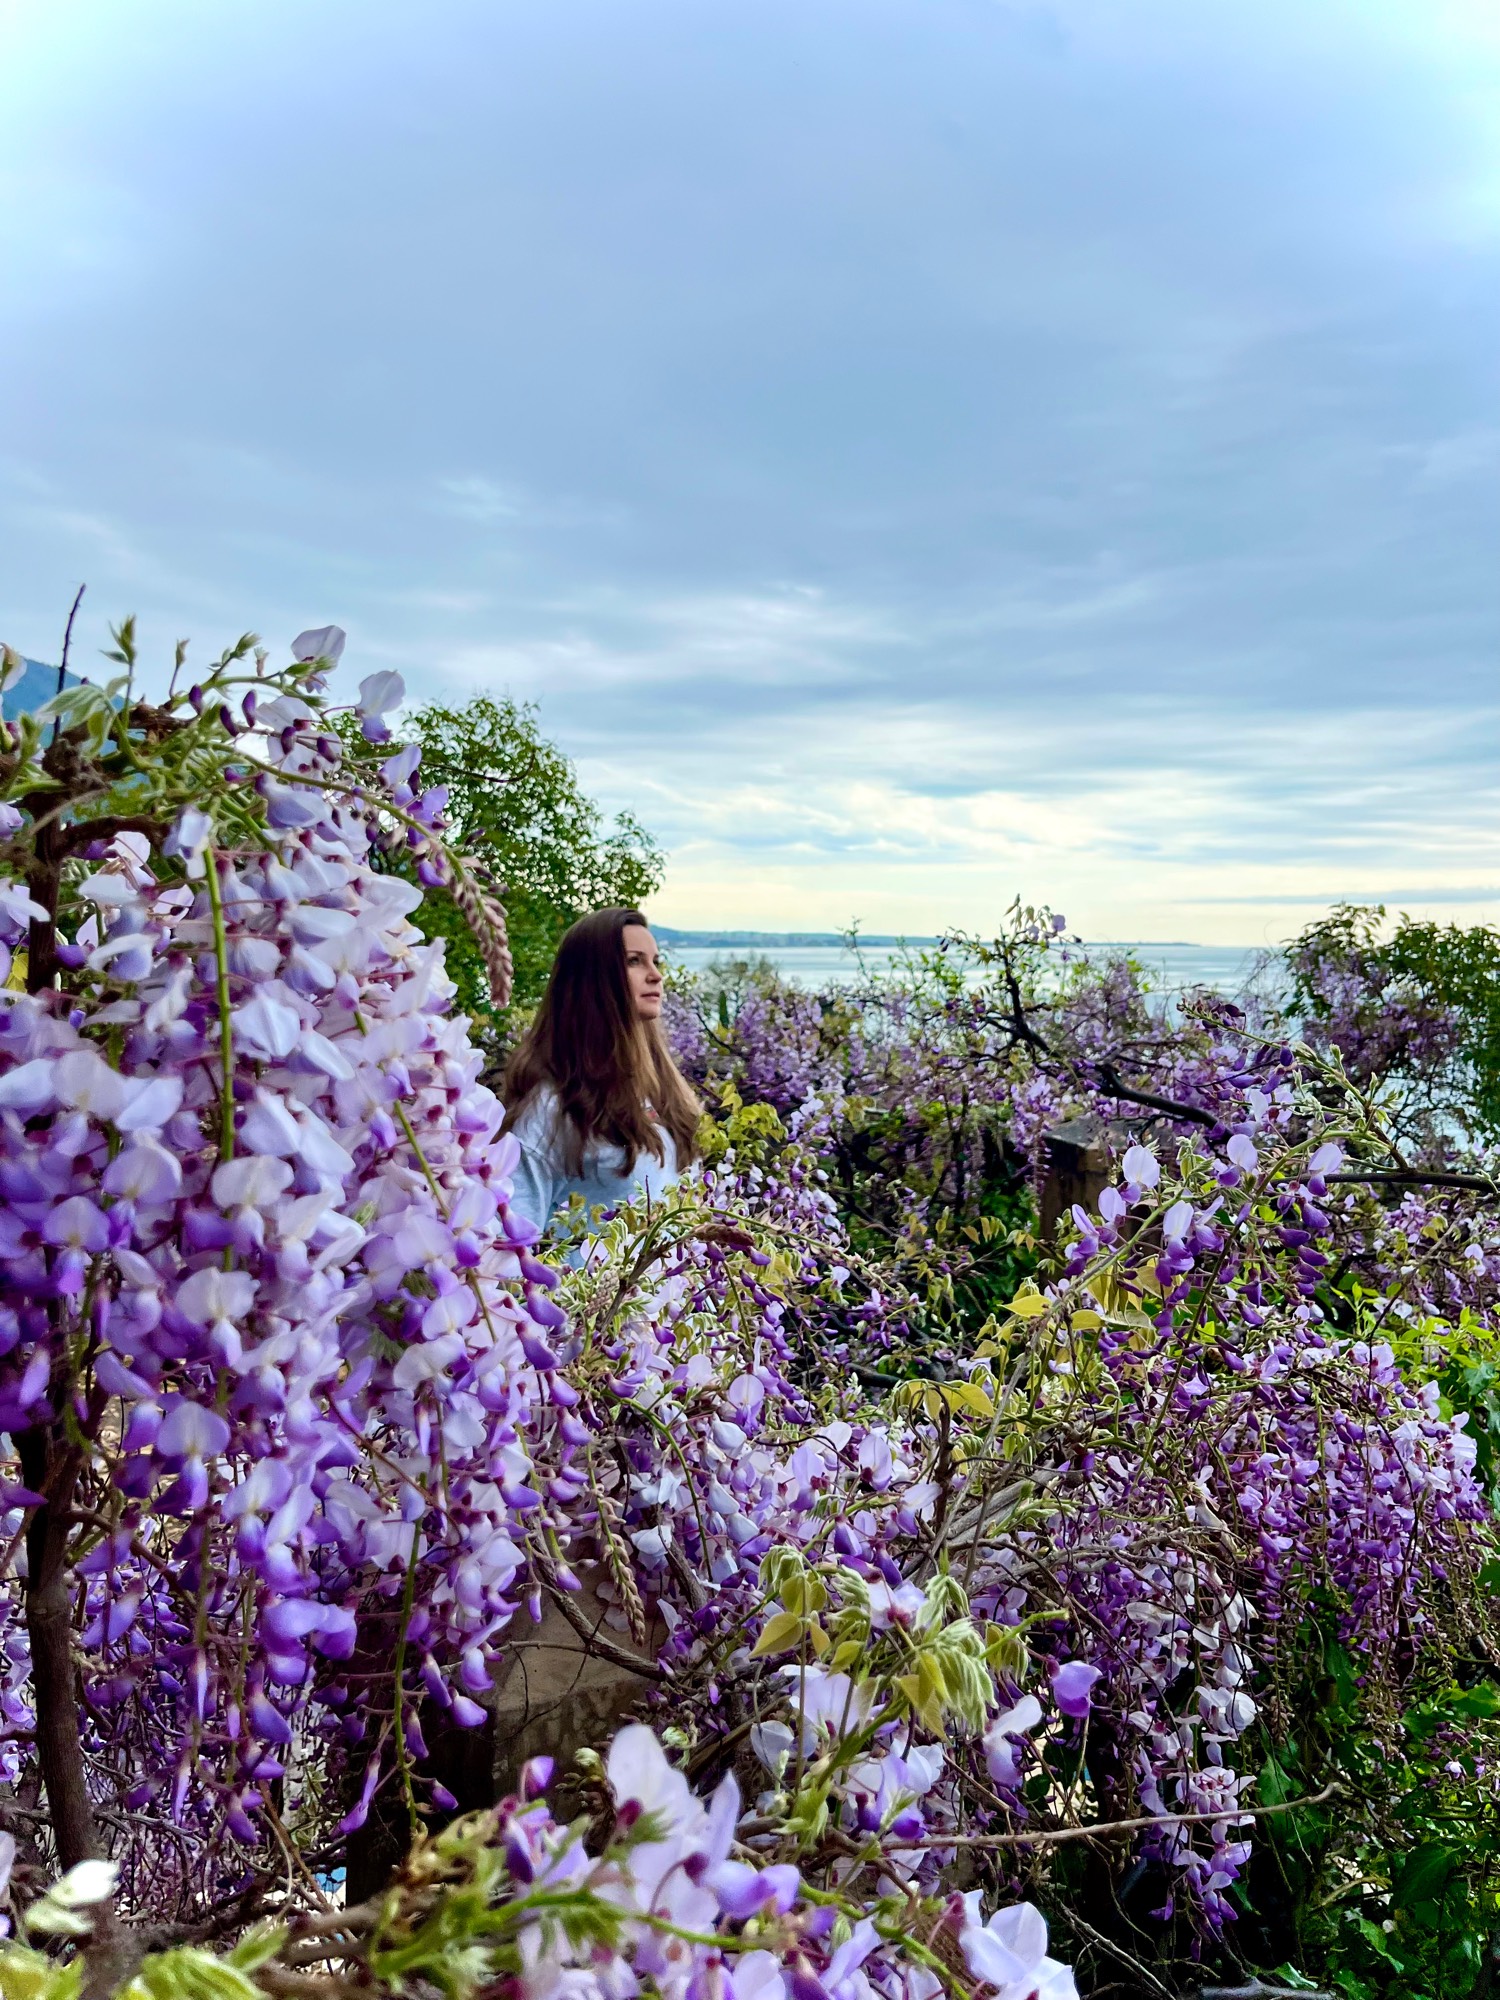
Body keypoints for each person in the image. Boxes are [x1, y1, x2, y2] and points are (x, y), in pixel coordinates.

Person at [501, 908, 700, 1237]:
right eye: (635, 961)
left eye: (656, 961)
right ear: (595, 977)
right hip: (598, 1289)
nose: (655, 975)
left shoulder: (655, 1090)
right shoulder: (553, 1107)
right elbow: (510, 1241)